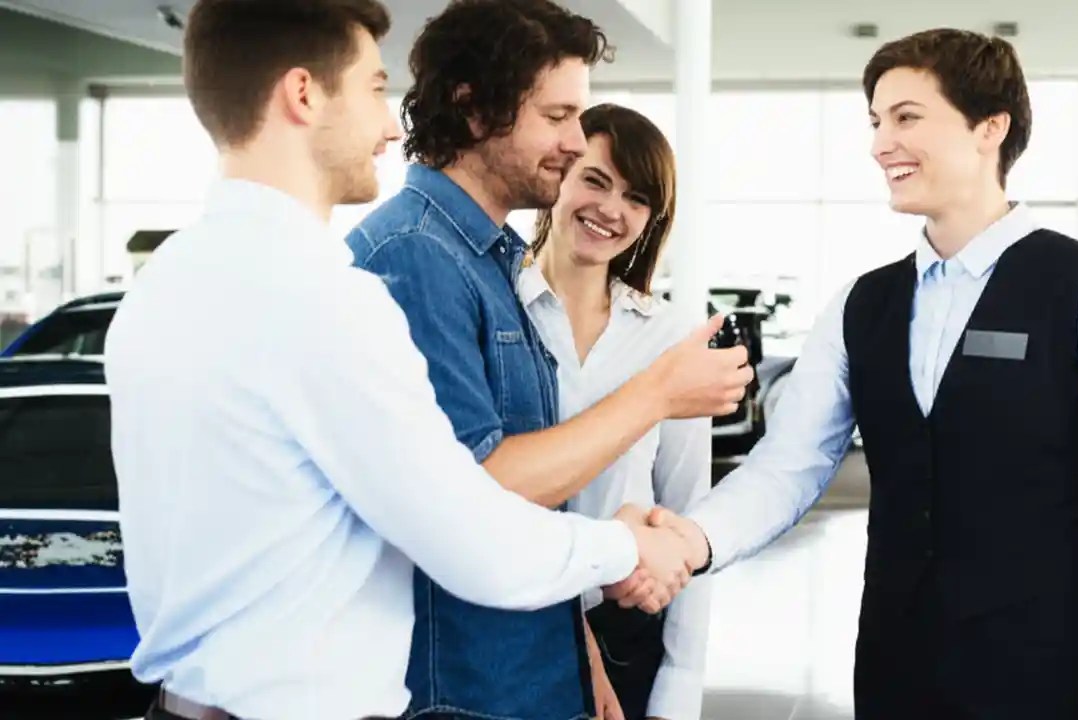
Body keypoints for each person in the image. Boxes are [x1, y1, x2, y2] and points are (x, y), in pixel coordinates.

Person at [104, 2, 697, 719]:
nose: (391, 125)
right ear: (303, 94)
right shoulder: (327, 297)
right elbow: (470, 534)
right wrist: (628, 545)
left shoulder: (162, 284)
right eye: (372, 89)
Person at [647, 28, 1078, 720]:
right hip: (895, 671)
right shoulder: (862, 303)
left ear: (989, 128)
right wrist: (689, 542)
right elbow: (785, 468)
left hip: (1047, 672)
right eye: (876, 121)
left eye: (907, 117)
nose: (880, 144)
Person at [346, 2, 749, 719]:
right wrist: (656, 401)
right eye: (558, 116)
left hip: (529, 671)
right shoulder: (417, 257)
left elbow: (532, 514)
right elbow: (481, 495)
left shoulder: (482, 264)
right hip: (466, 689)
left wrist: (579, 643)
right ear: (474, 111)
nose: (574, 142)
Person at [519, 103, 711, 720]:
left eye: (636, 198)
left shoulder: (668, 335)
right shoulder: (496, 309)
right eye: (595, 180)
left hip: (628, 625)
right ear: (558, 179)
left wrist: (681, 682)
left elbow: (686, 511)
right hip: (510, 621)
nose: (611, 210)